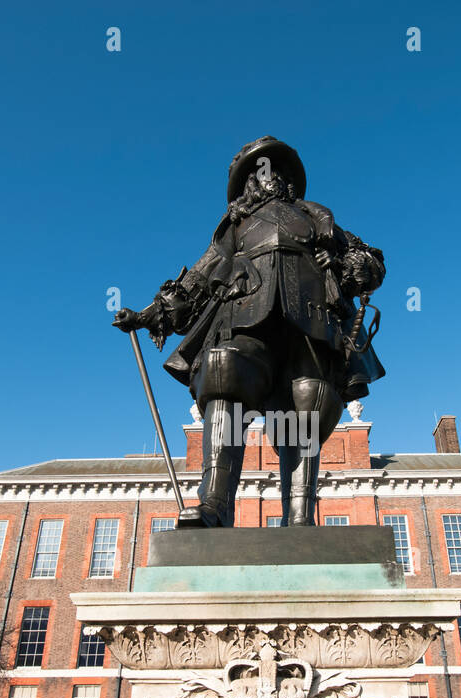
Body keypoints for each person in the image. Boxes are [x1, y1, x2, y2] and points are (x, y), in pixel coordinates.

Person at [114, 136, 386, 527]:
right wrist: (148, 314)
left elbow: (368, 263)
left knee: (308, 397)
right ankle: (214, 506)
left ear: (288, 179)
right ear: (248, 184)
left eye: (274, 168)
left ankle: (300, 517)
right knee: (223, 369)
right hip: (244, 311)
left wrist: (353, 265)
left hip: (309, 316)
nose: (267, 176)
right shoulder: (235, 227)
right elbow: (200, 276)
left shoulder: (318, 217)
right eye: (259, 171)